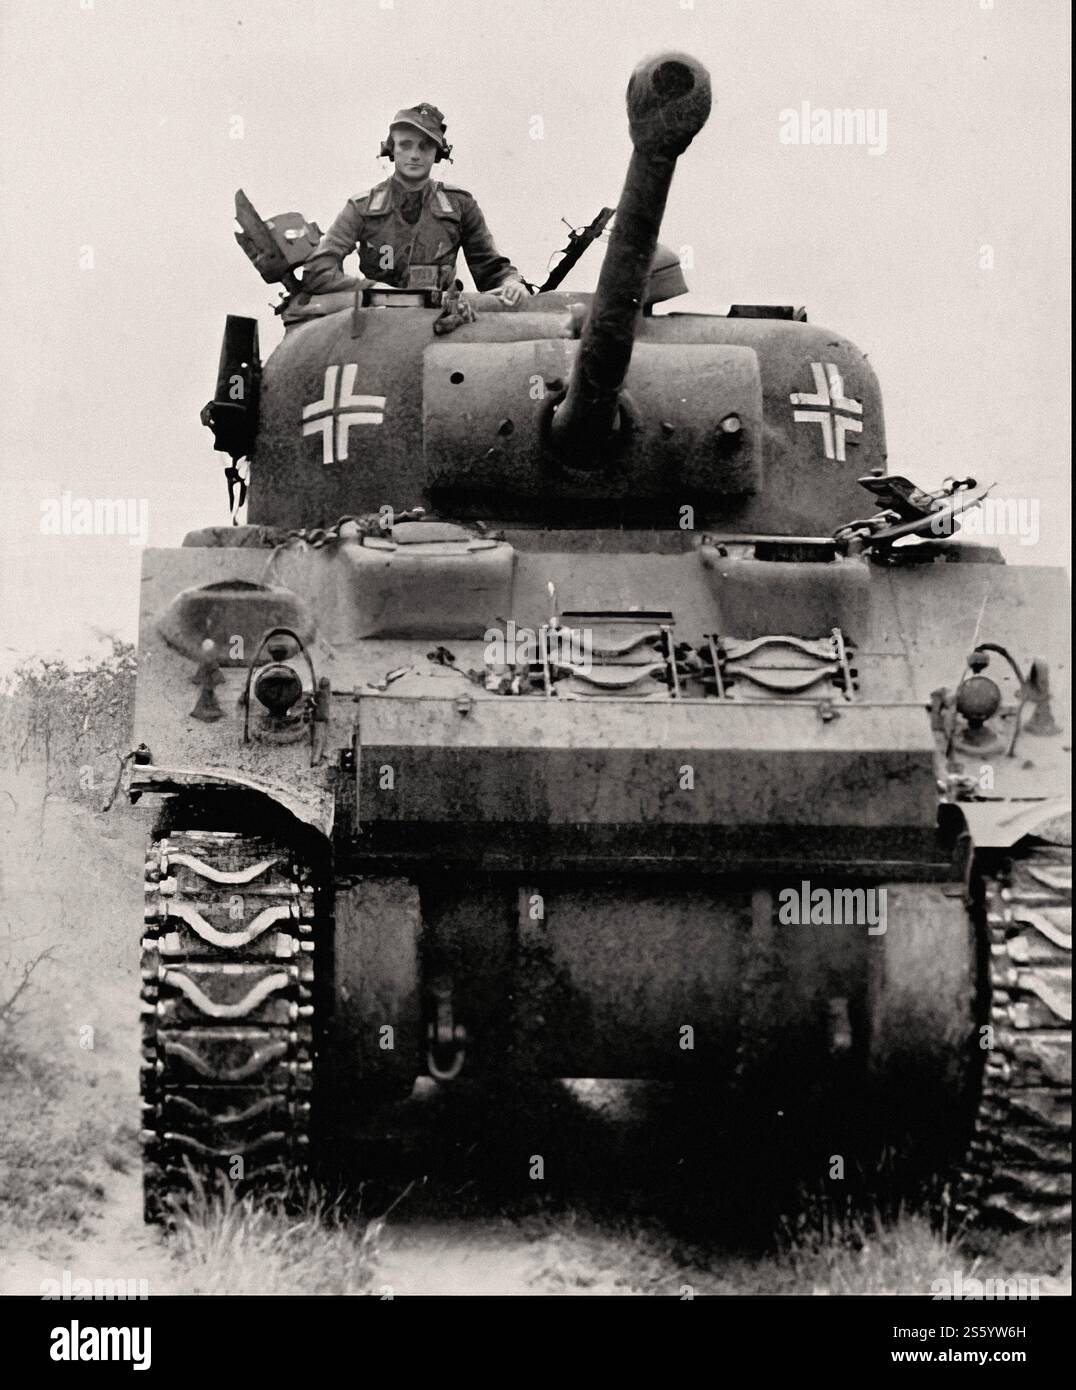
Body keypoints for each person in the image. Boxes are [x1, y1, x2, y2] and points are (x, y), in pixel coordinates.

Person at [301, 102, 529, 304]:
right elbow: (318, 271)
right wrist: (371, 289)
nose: (414, 155)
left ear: (438, 153)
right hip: (378, 323)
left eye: (425, 146)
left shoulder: (460, 205)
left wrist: (511, 282)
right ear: (391, 149)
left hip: (440, 323)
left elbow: (490, 269)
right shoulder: (362, 207)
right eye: (405, 145)